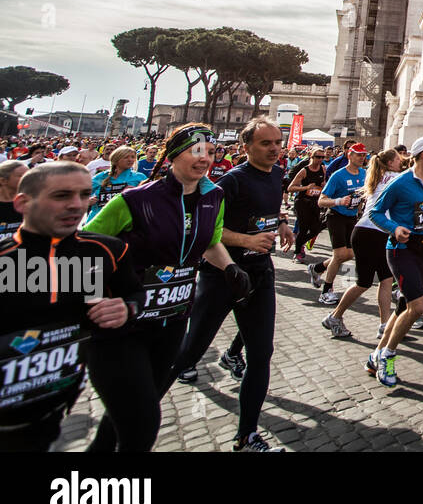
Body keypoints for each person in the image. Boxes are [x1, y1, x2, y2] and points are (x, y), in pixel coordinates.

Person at [82, 122, 251, 452]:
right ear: (173, 155)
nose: (205, 159)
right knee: (142, 424)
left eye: (212, 153)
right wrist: (95, 298)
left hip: (173, 321)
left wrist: (230, 267)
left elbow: (209, 242)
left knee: (122, 420)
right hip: (123, 326)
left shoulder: (214, 197)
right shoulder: (133, 200)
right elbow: (82, 247)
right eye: (196, 151)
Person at [0, 163, 146, 451]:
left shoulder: (106, 251)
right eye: (61, 196)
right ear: (22, 202)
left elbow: (133, 293)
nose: (76, 205)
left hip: (52, 413)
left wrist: (126, 309)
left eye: (83, 195)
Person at [168, 117, 291, 451]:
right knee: (190, 350)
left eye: (277, 142)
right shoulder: (230, 182)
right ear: (245, 147)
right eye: (266, 143)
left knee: (261, 353)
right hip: (221, 276)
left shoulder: (279, 174)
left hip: (260, 275)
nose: (274, 149)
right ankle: (139, 405)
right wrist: (246, 241)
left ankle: (246, 434)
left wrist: (281, 223)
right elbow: (207, 232)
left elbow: (269, 208)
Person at [366, 135, 423, 387]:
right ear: (422, 155)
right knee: (417, 307)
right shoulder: (400, 183)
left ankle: (376, 353)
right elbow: (374, 212)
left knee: (403, 309)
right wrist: (394, 228)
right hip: (401, 249)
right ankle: (387, 357)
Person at [324, 149, 403, 340]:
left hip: (374, 232)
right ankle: (334, 316)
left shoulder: (378, 175)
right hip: (370, 232)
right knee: (364, 282)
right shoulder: (395, 177)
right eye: (399, 160)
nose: (401, 162)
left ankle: (385, 325)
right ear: (391, 163)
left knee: (385, 280)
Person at [314, 143, 368, 304]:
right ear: (349, 156)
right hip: (336, 216)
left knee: (349, 254)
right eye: (358, 155)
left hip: (352, 217)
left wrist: (360, 209)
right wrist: (338, 201)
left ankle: (317, 268)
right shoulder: (338, 176)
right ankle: (326, 291)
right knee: (339, 255)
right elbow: (321, 201)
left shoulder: (364, 173)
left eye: (364, 155)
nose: (362, 158)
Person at [287, 148, 328, 262]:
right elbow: (290, 188)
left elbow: (322, 184)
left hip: (315, 202)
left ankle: (299, 242)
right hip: (302, 202)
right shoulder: (304, 171)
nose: (320, 159)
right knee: (304, 228)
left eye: (322, 157)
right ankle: (297, 252)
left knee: (315, 229)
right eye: (318, 157)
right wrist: (306, 187)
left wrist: (323, 186)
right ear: (312, 157)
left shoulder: (323, 169)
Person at [87, 147, 147, 222]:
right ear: (116, 159)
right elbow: (82, 193)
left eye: (132, 157)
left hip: (124, 221)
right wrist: (88, 200)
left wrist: (135, 194)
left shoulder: (139, 177)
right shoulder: (101, 176)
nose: (130, 160)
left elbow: (148, 200)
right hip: (97, 220)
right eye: (126, 157)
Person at [0, 160, 27, 238]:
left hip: (20, 249)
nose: (27, 179)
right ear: (3, 181)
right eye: (22, 176)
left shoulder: (28, 203)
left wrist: (21, 251)